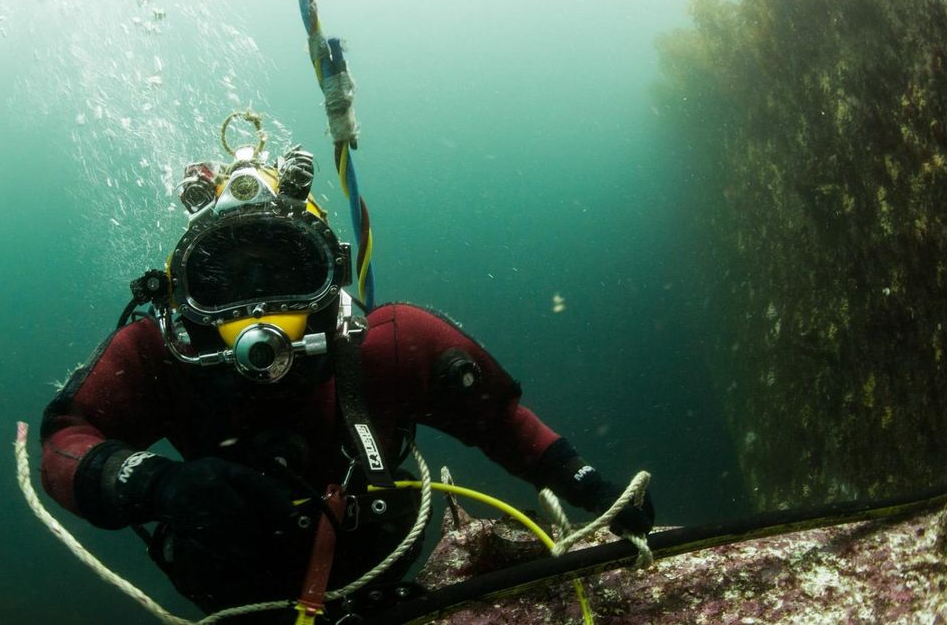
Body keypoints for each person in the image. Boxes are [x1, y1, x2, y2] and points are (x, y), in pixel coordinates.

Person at [38, 140, 655, 623]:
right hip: (239, 598)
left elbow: (495, 420)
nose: (257, 304)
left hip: (384, 573)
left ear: (328, 269)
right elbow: (66, 440)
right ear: (181, 291)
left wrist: (588, 484)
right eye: (223, 279)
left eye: (284, 268)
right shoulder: (156, 351)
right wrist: (154, 483)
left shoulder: (387, 343)